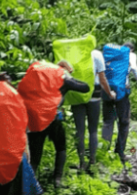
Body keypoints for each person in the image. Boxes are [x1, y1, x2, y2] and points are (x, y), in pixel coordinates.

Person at [20, 60, 90, 188]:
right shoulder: (63, 80)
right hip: (53, 119)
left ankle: (28, 187)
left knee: (35, 155)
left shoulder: (38, 79)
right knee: (61, 147)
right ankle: (57, 179)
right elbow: (85, 87)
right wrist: (68, 76)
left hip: (35, 119)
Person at [101, 41, 137, 167]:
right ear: (131, 49)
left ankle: (103, 153)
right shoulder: (130, 55)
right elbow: (134, 69)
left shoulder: (109, 54)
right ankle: (120, 152)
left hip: (107, 89)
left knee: (108, 122)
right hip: (122, 91)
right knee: (124, 122)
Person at [73, 48, 115, 173]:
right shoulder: (97, 54)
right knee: (93, 130)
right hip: (94, 92)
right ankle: (92, 161)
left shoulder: (75, 53)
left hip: (78, 92)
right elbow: (102, 78)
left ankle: (81, 163)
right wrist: (110, 93)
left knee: (79, 131)